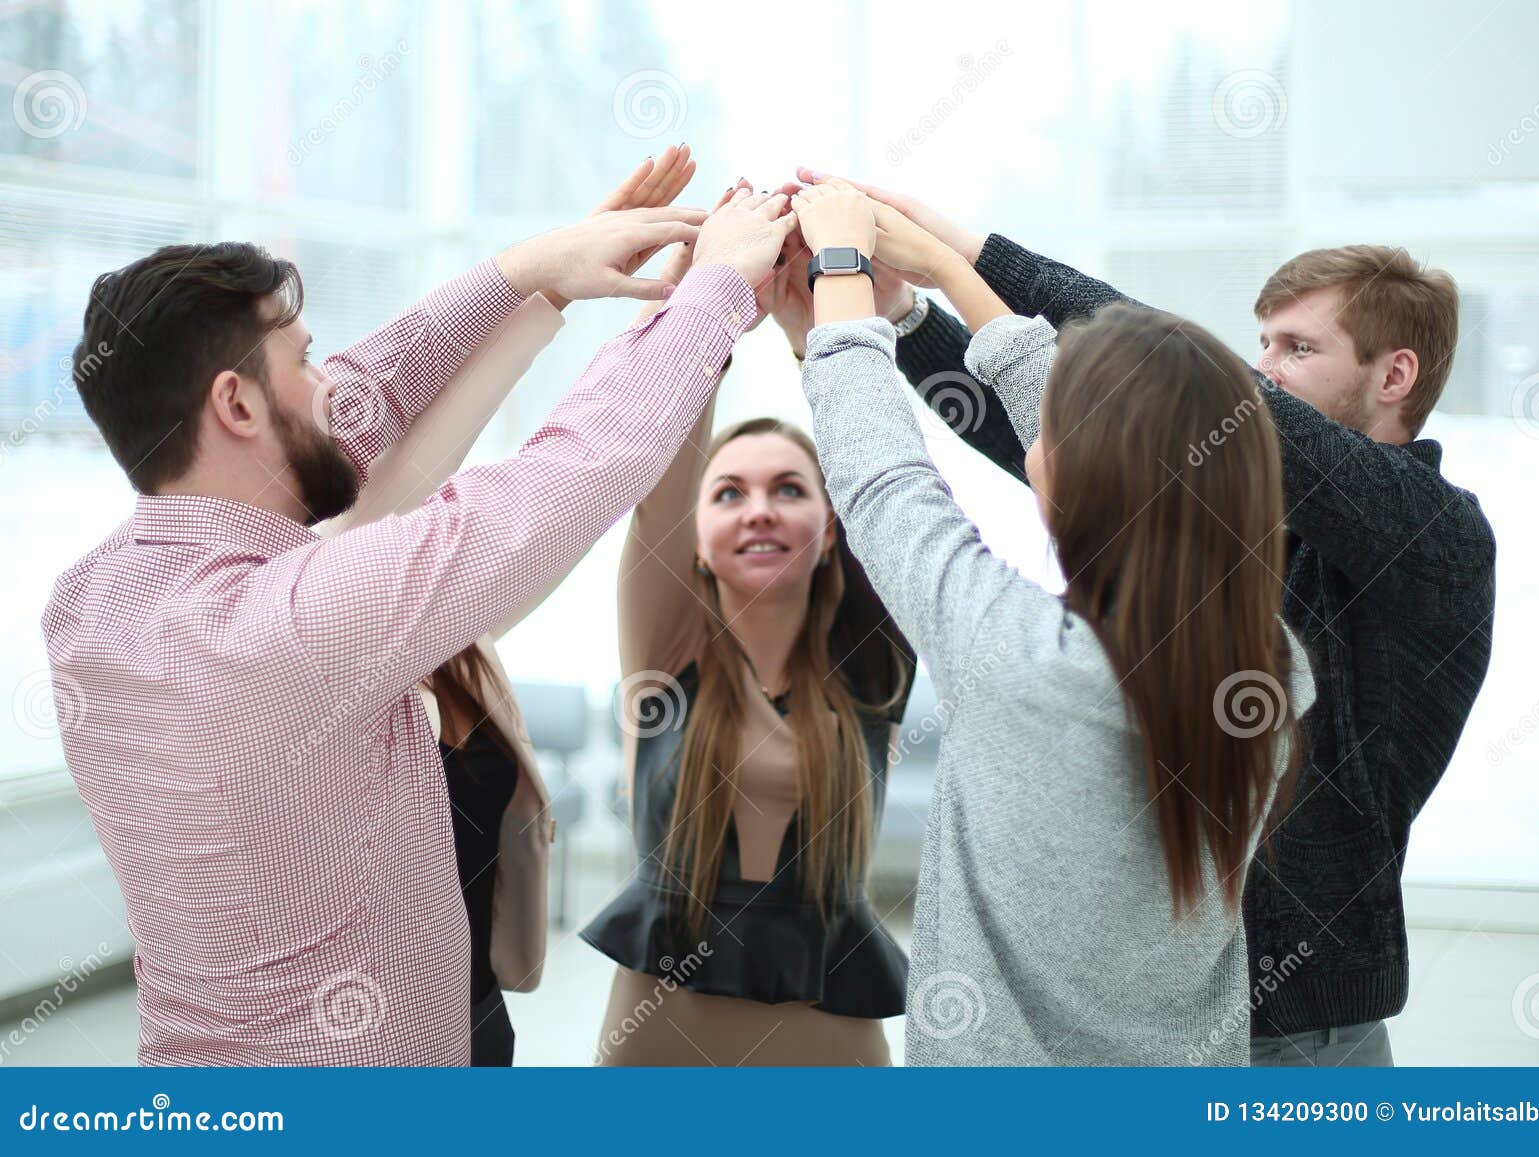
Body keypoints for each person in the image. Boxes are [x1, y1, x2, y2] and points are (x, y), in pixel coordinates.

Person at [41, 164, 794, 1065]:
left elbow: (363, 401)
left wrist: (532, 270)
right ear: (236, 403)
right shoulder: (290, 623)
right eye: (306, 359)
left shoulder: (90, 600)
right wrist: (712, 293)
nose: (333, 381)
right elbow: (561, 477)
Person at [801, 165, 1497, 1066]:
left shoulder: (1432, 533)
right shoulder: (1255, 544)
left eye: (1296, 349)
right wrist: (904, 316)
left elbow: (1171, 388)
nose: (1262, 370)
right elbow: (1080, 452)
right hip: (1189, 1034)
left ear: (1395, 373)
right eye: (1261, 345)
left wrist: (959, 256)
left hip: (1309, 1042)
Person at [319, 148, 698, 1067]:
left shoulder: (461, 641)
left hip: (475, 1020)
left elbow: (490, 452)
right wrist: (687, 315)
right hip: (358, 1037)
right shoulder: (321, 631)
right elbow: (571, 466)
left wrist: (561, 283)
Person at [580, 198, 915, 1066]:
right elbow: (661, 483)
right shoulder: (666, 655)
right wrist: (709, 318)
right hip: (657, 1037)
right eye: (729, 491)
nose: (758, 508)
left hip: (831, 1040)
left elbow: (884, 482)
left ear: (833, 525)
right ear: (697, 532)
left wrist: (819, 339)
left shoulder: (870, 668)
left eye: (789, 489)